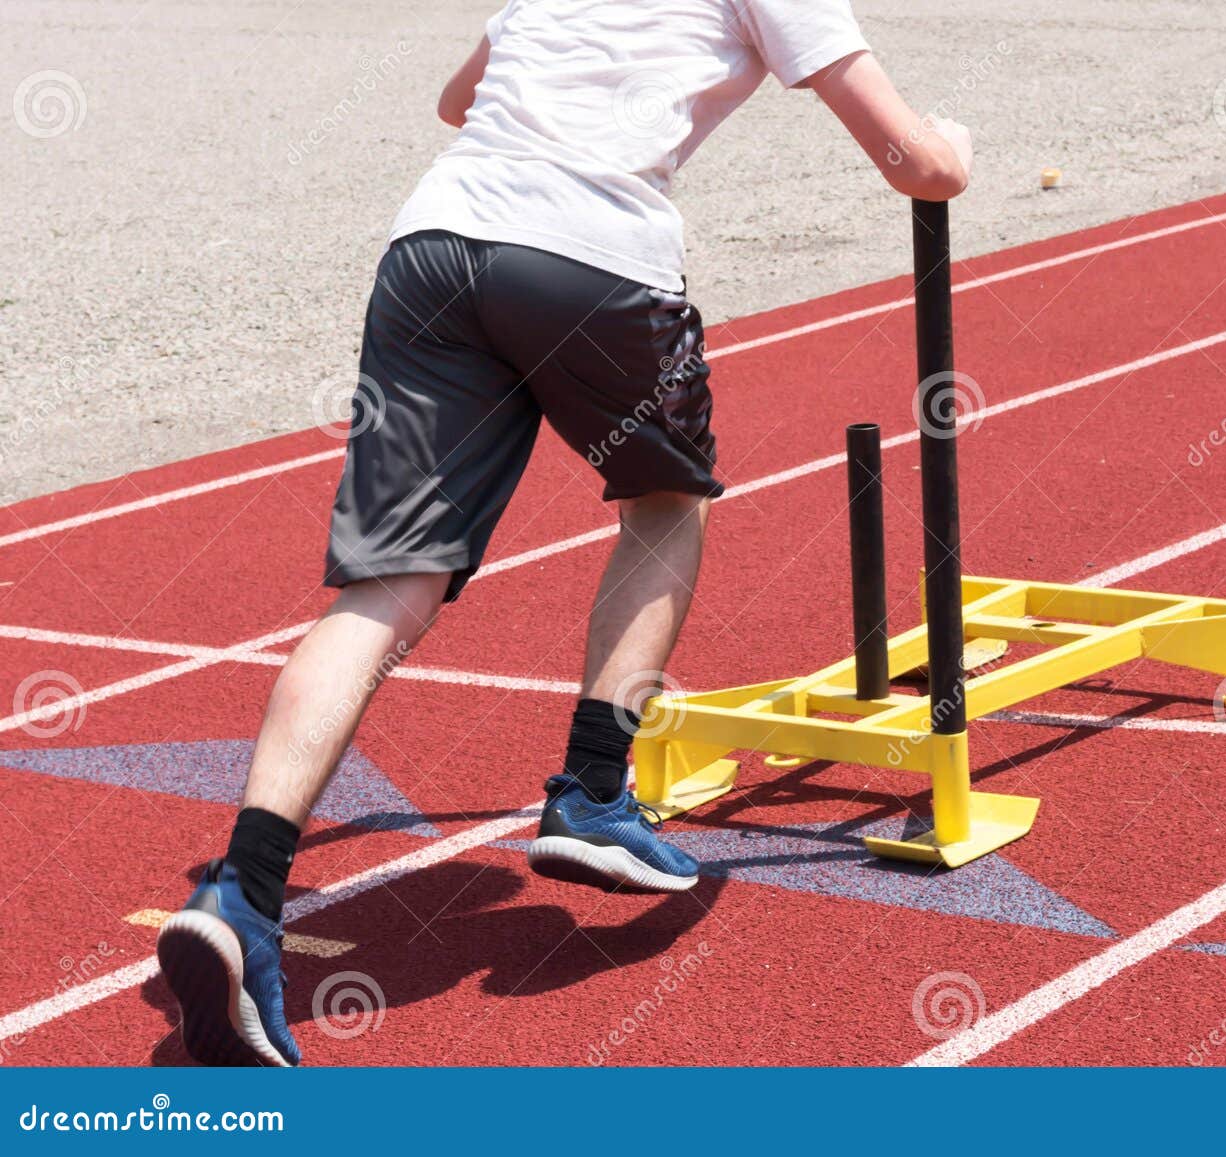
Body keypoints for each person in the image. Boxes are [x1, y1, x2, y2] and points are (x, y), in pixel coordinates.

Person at [156, 0, 973, 1067]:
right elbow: (914, 163)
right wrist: (950, 150)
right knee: (664, 502)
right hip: (593, 255)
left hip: (434, 246)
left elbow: (458, 101)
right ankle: (593, 790)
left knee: (382, 591)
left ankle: (244, 889)